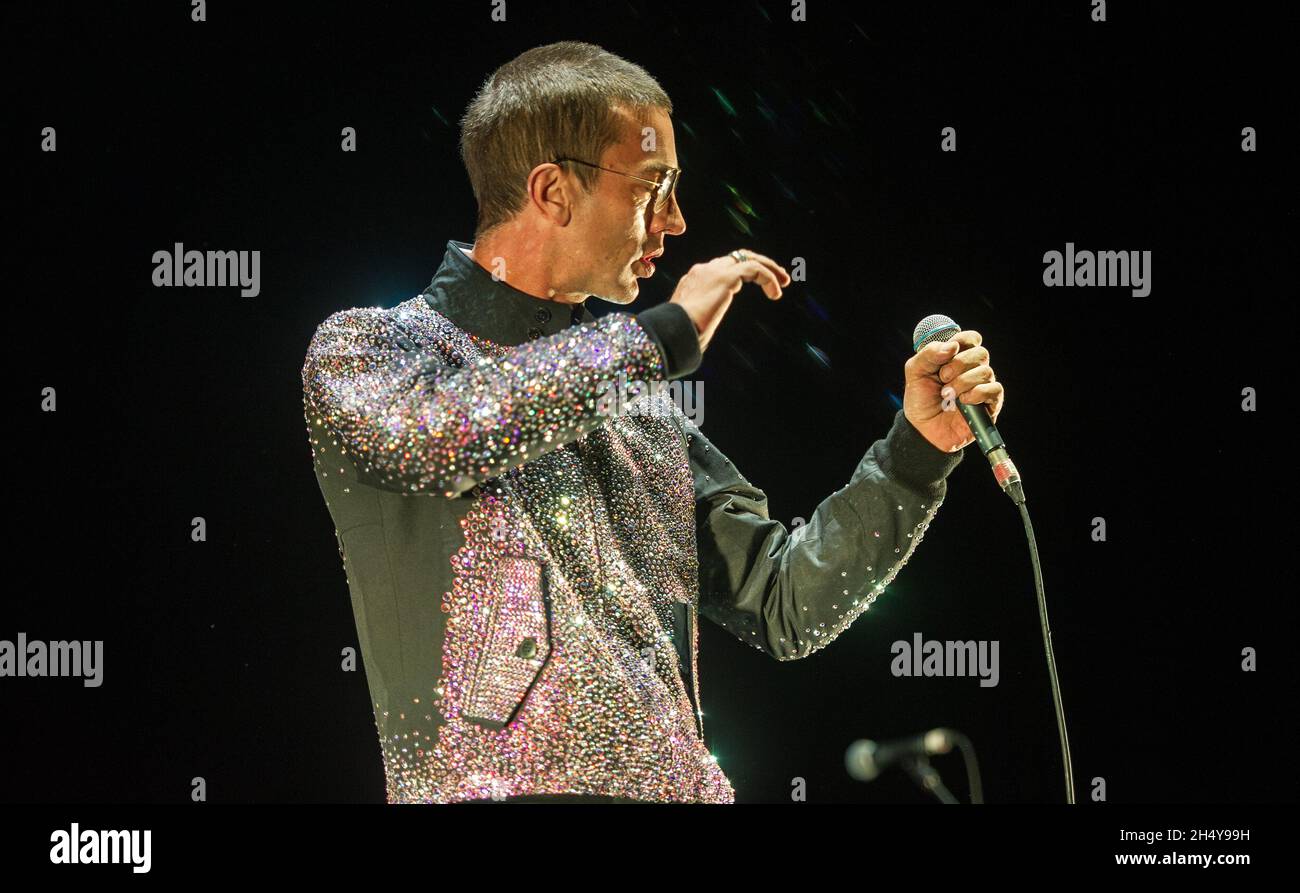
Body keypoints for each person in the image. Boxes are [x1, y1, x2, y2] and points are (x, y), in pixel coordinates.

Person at [300, 41, 1005, 804]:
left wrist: (915, 453)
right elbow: (444, 438)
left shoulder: (636, 403)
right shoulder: (376, 349)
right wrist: (660, 335)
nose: (675, 220)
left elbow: (785, 602)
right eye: (653, 186)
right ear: (552, 190)